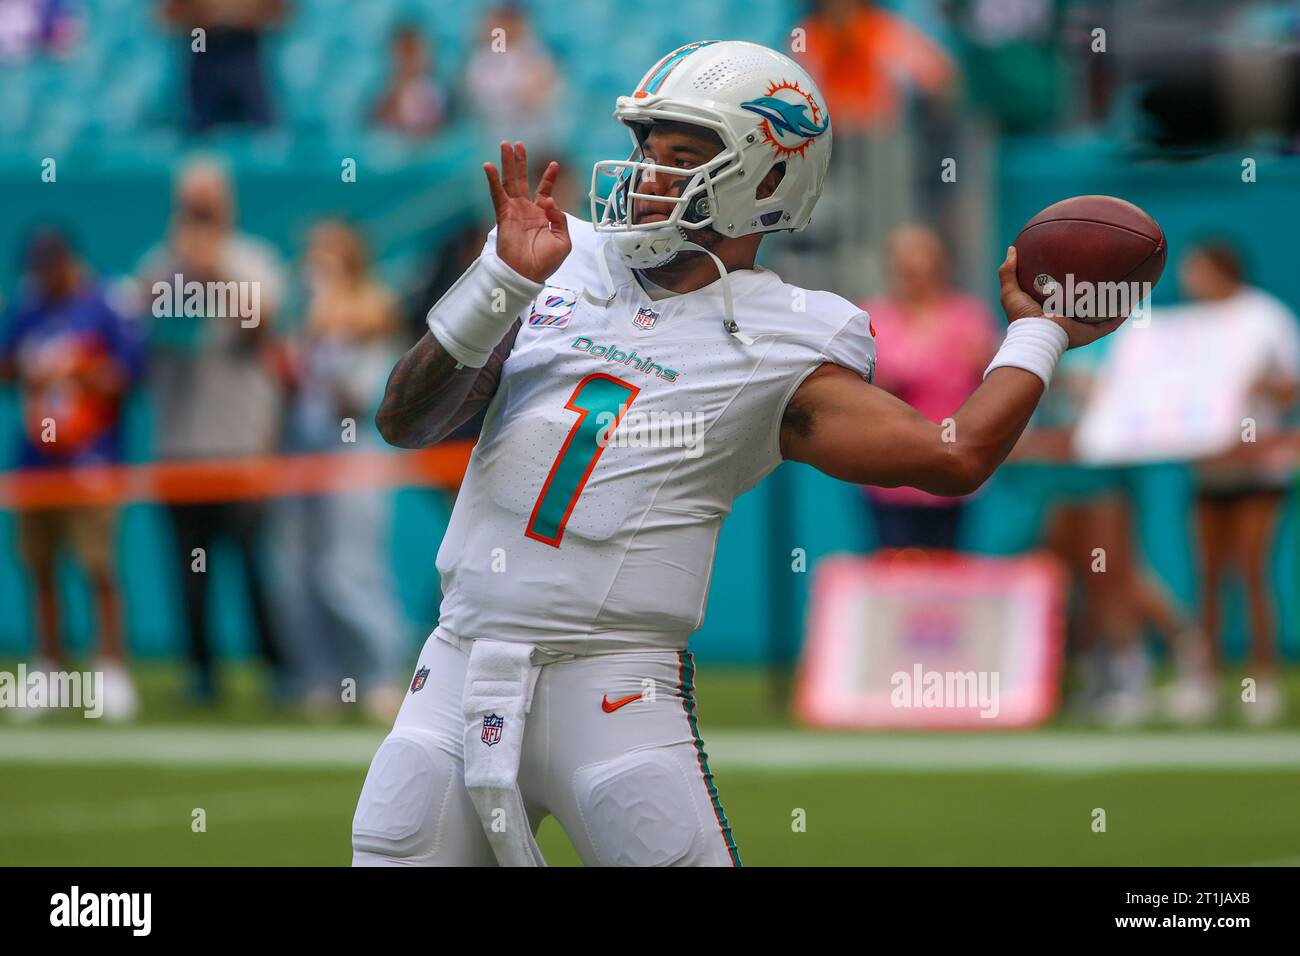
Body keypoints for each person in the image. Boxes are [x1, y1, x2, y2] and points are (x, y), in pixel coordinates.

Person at [351, 40, 1123, 867]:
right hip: (454, 671)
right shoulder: (554, 260)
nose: (648, 175)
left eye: (682, 157)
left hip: (613, 696)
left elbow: (955, 455)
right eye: (648, 151)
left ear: (765, 178)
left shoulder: (784, 336)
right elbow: (405, 420)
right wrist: (500, 283)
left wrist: (1040, 334)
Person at [136, 159, 288, 705]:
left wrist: (213, 269)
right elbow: (146, 329)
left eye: (206, 205)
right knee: (189, 573)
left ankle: (277, 670)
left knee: (255, 569)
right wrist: (183, 269)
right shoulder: (158, 264)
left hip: (240, 444)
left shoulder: (252, 259)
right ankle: (201, 674)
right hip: (180, 446)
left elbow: (261, 325)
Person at [0, 229, 143, 720]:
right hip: (37, 460)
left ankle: (109, 666)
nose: (46, 277)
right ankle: (49, 668)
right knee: (39, 564)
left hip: (92, 459)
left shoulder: (105, 304)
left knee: (97, 565)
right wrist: (31, 371)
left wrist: (77, 370)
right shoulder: (26, 307)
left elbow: (127, 375)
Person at [276, 221, 408, 722]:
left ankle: (380, 674)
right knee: (295, 571)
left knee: (348, 570)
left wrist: (327, 336)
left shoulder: (371, 311)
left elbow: (355, 404)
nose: (316, 268)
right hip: (304, 452)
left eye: (327, 257)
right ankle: (320, 677)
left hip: (355, 453)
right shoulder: (304, 321)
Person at [1179, 241, 1300, 724]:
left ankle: (1262, 683)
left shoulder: (1265, 318)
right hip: (1209, 466)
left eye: (1196, 270)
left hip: (1259, 467)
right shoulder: (1188, 327)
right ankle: (1205, 682)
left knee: (1252, 570)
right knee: (1208, 575)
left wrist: (1259, 385)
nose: (1189, 281)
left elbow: (1290, 386)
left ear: (1220, 269)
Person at [860, 225, 996, 549]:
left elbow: (991, 380)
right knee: (894, 564)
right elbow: (861, 384)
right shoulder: (872, 317)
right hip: (889, 470)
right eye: (907, 269)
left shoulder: (968, 317)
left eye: (924, 267)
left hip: (953, 466)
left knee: (949, 565)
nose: (916, 277)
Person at [158, 0, 286, 133]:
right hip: (203, 44)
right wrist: (201, 19)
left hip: (244, 49)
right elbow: (166, 18)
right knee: (198, 128)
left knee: (263, 128)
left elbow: (282, 16)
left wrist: (243, 17)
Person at [370, 23, 446, 139]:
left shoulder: (442, 92)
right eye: (405, 54)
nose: (410, 61)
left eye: (414, 52)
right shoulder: (383, 100)